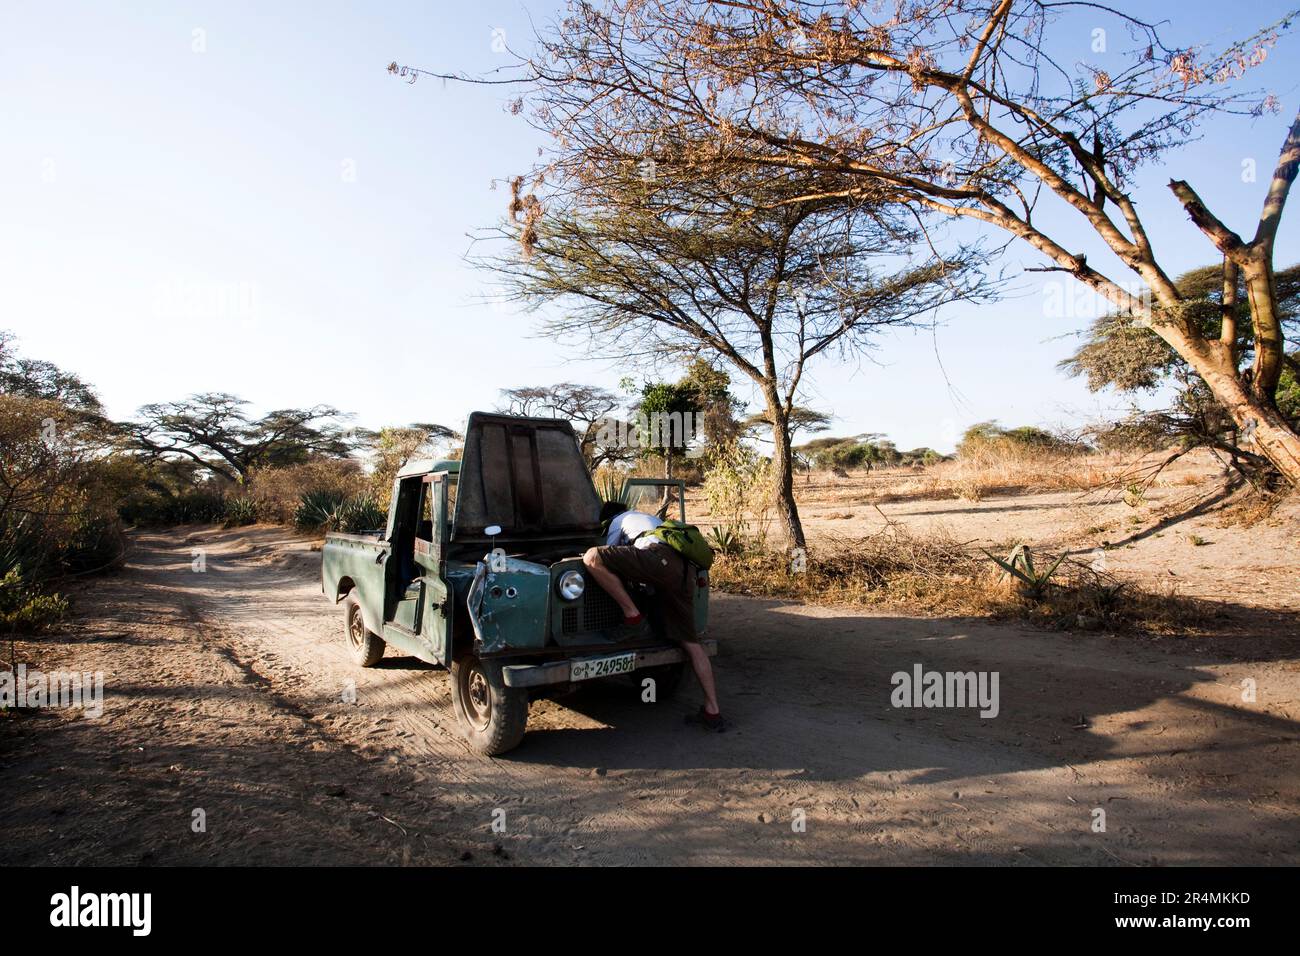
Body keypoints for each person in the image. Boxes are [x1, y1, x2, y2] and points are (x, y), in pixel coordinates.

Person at [583, 501, 725, 731]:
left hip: (657, 559)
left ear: (607, 520)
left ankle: (632, 616)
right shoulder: (649, 519)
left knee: (591, 557)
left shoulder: (617, 522)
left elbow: (606, 557)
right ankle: (713, 711)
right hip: (683, 570)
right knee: (692, 645)